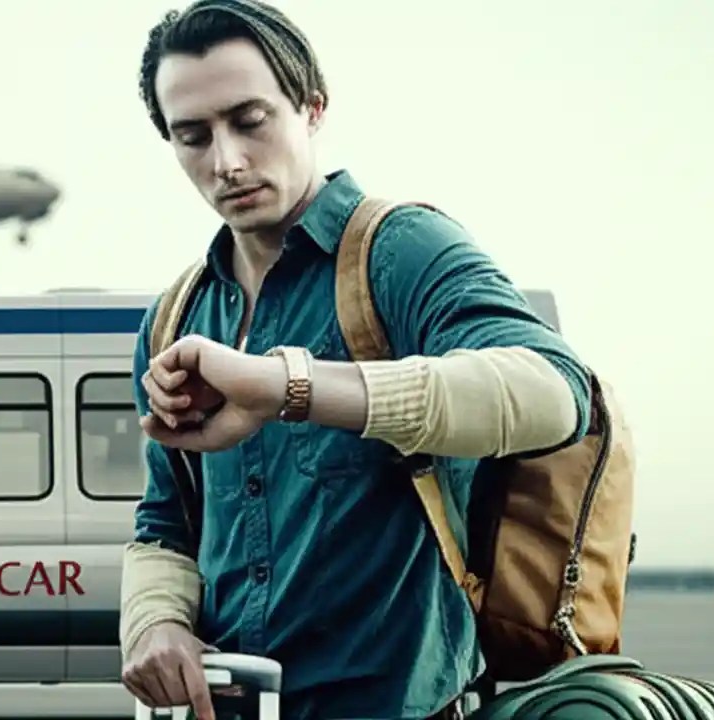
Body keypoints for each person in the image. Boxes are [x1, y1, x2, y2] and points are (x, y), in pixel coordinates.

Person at [119, 2, 594, 719]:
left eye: (250, 120)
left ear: (311, 108)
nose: (227, 161)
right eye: (194, 136)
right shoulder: (175, 316)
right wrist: (154, 622)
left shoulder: (399, 250)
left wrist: (290, 385)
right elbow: (164, 524)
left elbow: (557, 393)